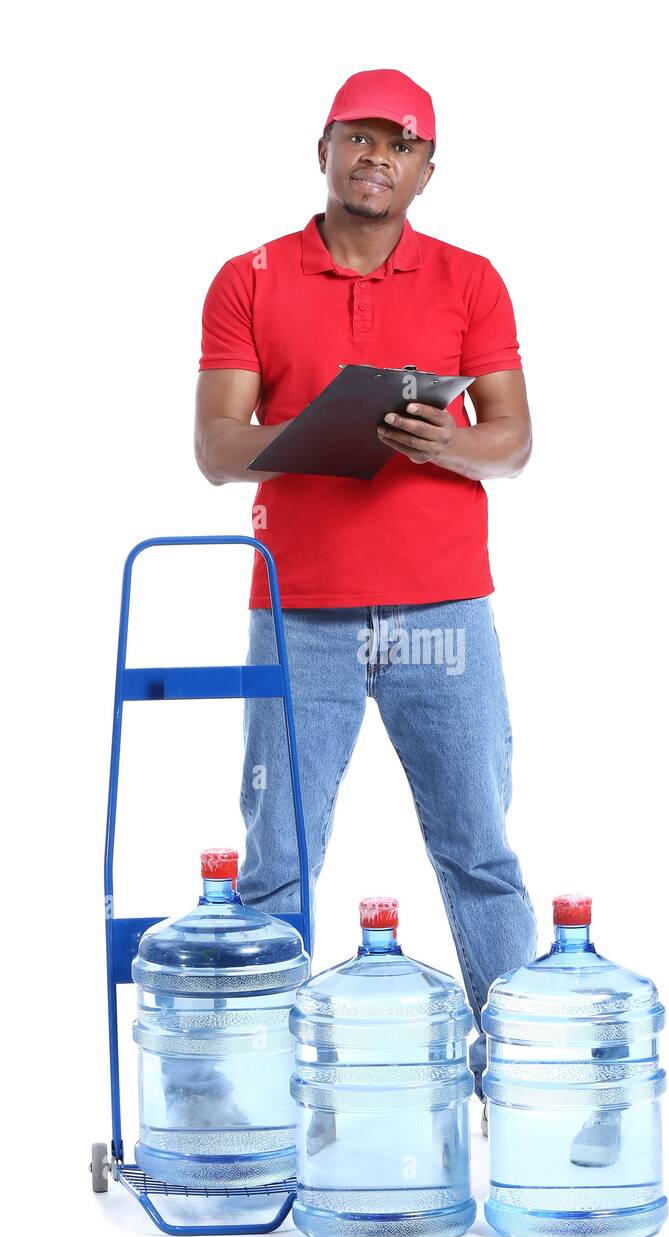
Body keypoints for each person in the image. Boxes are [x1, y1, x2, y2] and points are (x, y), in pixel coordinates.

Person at [194, 68, 537, 1108]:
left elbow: (514, 442)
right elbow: (215, 446)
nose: (375, 155)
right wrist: (322, 435)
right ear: (324, 150)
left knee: (478, 847)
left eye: (399, 142)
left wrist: (450, 444)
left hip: (444, 613)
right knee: (279, 861)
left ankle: (513, 1075)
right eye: (357, 136)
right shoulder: (249, 277)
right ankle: (262, 1090)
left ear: (425, 169)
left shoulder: (470, 279)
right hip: (302, 614)